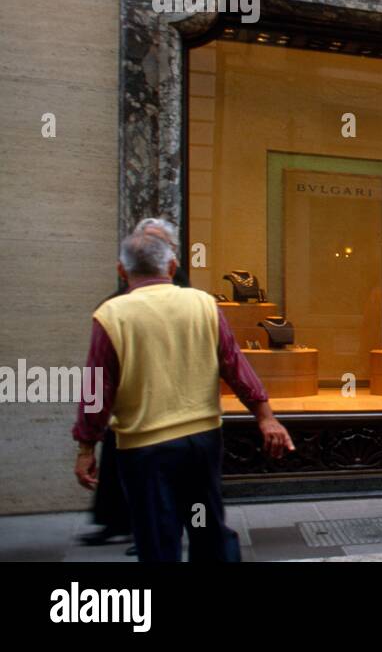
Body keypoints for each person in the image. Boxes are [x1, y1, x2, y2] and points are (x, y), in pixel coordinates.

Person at [73, 226, 293, 561]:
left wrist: (86, 446)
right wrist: (265, 417)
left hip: (145, 449)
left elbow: (96, 387)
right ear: (172, 267)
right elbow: (234, 364)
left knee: (158, 537)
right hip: (200, 444)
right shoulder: (203, 304)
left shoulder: (112, 315)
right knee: (204, 525)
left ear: (122, 270)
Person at [78, 219, 187, 553]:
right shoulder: (124, 291)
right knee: (118, 460)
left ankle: (158, 531)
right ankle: (115, 520)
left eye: (154, 241)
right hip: (130, 392)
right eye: (143, 239)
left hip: (164, 395)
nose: (146, 247)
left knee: (158, 472)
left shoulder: (179, 288)